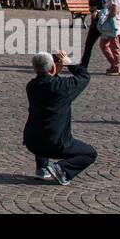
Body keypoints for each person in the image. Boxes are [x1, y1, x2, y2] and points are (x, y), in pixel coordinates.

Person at [23, 50, 97, 186]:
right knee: (90, 153)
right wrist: (70, 63)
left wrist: (54, 69)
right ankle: (62, 170)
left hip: (32, 142)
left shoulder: (31, 86)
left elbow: (47, 80)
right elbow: (84, 76)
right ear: (52, 68)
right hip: (56, 144)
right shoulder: (63, 87)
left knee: (42, 126)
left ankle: (41, 168)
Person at [97, 0, 120, 76]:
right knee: (103, 45)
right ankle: (113, 63)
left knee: (115, 47)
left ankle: (116, 67)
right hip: (107, 27)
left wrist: (104, 13)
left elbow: (114, 12)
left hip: (112, 26)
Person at [79, 0, 105, 68]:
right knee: (88, 44)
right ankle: (84, 65)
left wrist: (97, 11)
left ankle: (115, 64)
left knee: (107, 46)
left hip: (102, 24)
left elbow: (106, 10)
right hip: (94, 24)